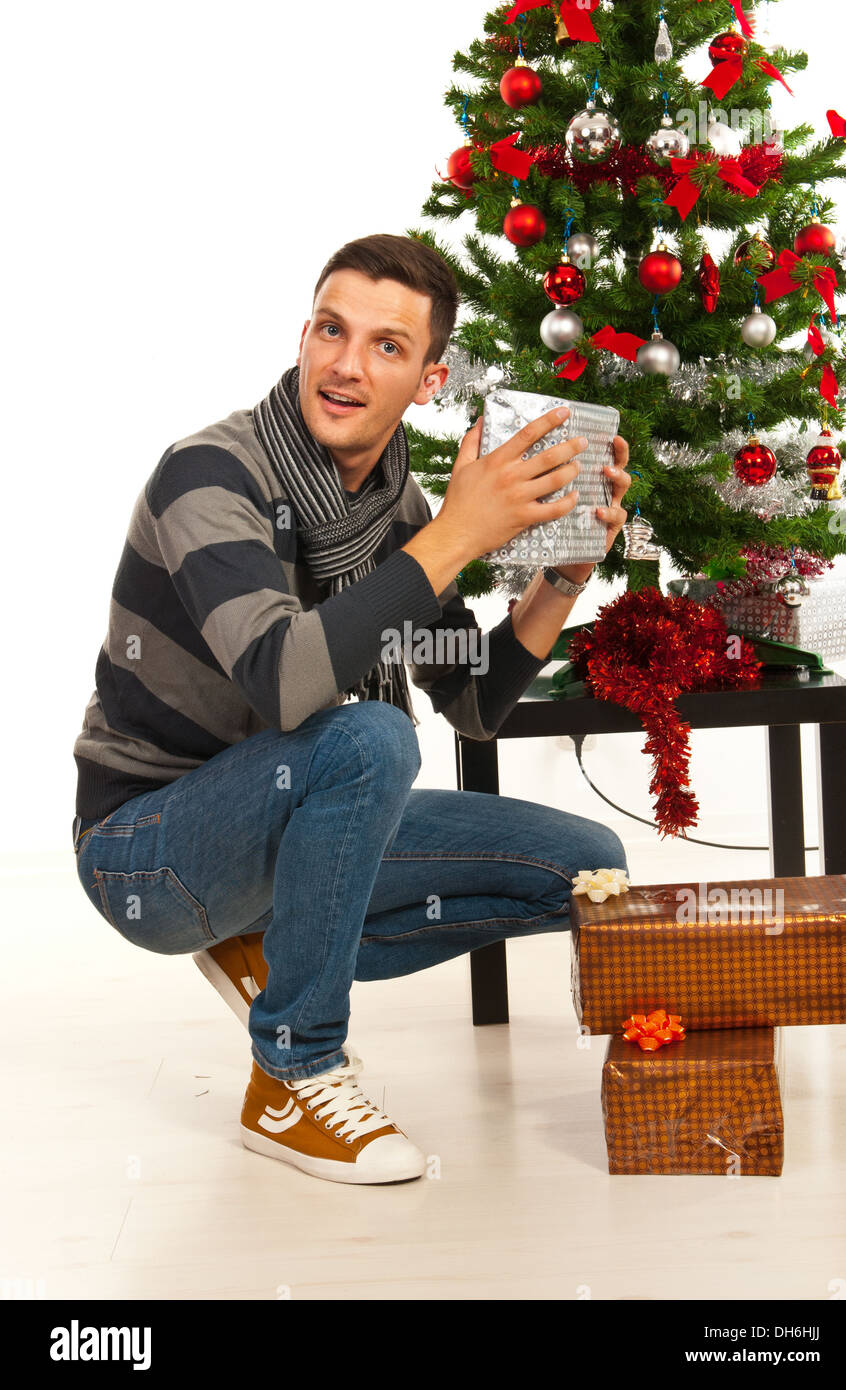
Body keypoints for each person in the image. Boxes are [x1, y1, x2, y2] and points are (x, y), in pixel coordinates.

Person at [71, 233, 631, 1186]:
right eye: (332, 330)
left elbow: (474, 700)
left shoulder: (402, 514)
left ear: (427, 380)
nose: (344, 364)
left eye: (385, 345)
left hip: (296, 824)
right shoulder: (208, 475)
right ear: (303, 335)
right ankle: (294, 1070)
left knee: (588, 867)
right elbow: (286, 683)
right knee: (368, 736)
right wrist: (457, 534)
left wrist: (563, 580)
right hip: (150, 846)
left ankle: (272, 941)